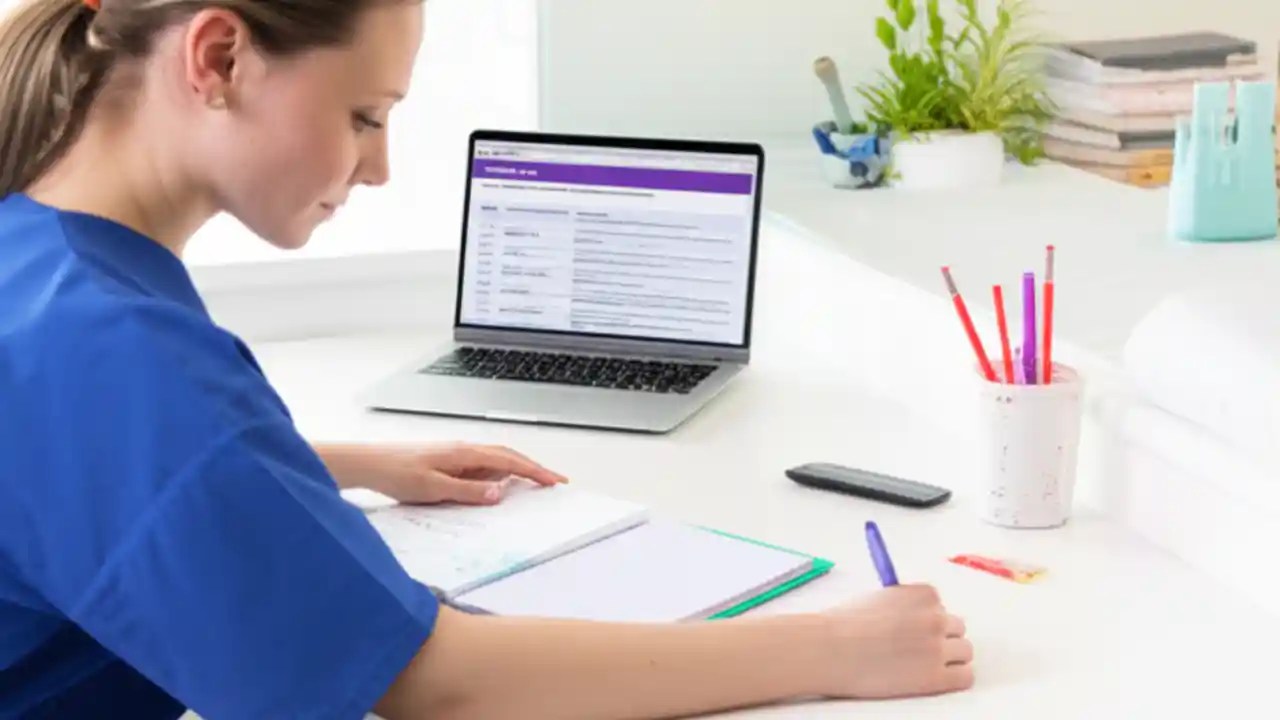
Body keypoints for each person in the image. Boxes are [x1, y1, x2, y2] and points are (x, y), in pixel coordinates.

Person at [0, 0, 976, 717]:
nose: (377, 166)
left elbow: (73, 464)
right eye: (364, 116)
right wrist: (828, 648)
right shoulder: (117, 347)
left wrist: (336, 464)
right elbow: (431, 681)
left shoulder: (38, 257)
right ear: (218, 57)